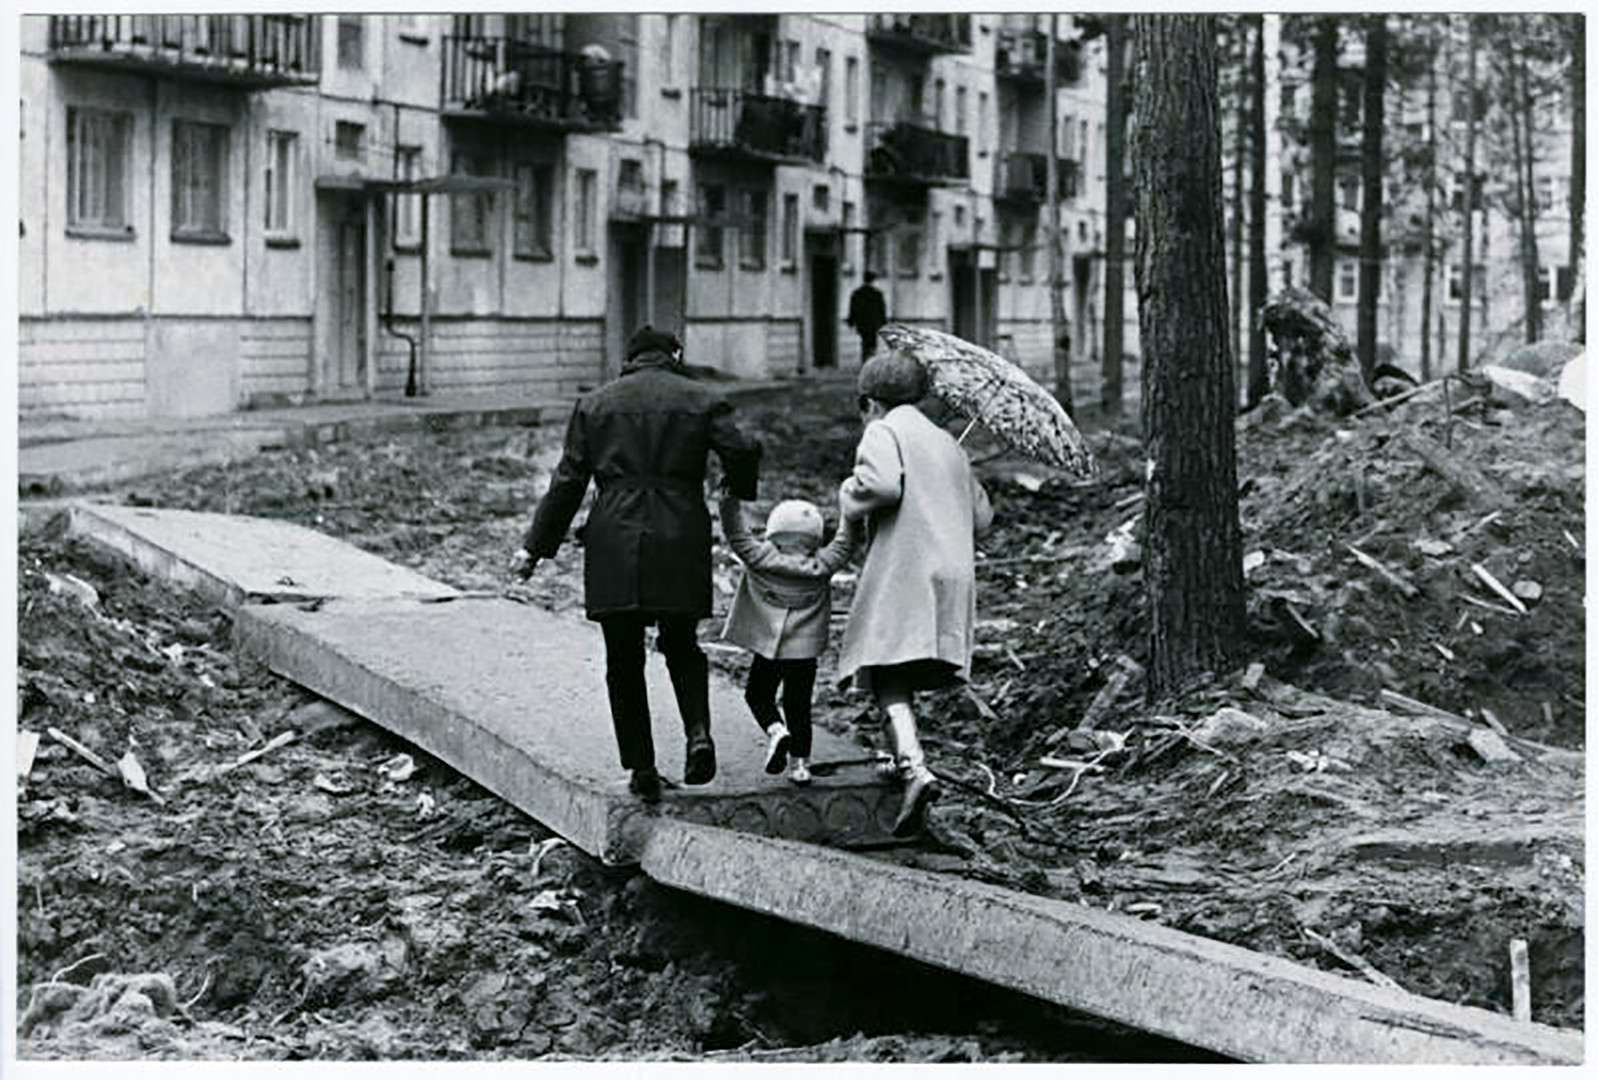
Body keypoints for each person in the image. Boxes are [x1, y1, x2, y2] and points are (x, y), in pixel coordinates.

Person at [516, 326, 761, 803]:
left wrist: (534, 547)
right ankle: (698, 734)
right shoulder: (702, 398)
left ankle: (642, 768)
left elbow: (569, 480)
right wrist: (735, 487)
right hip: (680, 530)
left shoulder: (595, 404)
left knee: (622, 658)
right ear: (675, 355)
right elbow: (742, 448)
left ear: (628, 359)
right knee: (682, 643)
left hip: (615, 534)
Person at [837, 349, 992, 837]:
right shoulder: (947, 440)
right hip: (951, 571)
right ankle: (901, 761)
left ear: (870, 401)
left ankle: (913, 768)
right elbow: (982, 518)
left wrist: (848, 493)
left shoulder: (884, 430)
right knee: (900, 667)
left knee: (884, 668)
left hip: (910, 566)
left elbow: (880, 486)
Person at [719, 491, 861, 785]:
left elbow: (736, 532)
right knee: (799, 705)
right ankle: (800, 765)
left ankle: (775, 730)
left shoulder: (759, 557)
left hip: (769, 649)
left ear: (773, 532)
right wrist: (851, 508)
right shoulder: (823, 565)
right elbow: (846, 541)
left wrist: (729, 500)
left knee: (757, 695)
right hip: (804, 653)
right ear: (816, 539)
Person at [846, 272, 888, 361]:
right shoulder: (877, 294)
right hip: (873, 323)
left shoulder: (857, 293)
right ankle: (871, 358)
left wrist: (851, 321)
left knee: (864, 340)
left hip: (862, 322)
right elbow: (881, 309)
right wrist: (883, 322)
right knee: (872, 341)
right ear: (873, 280)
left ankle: (865, 357)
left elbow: (853, 308)